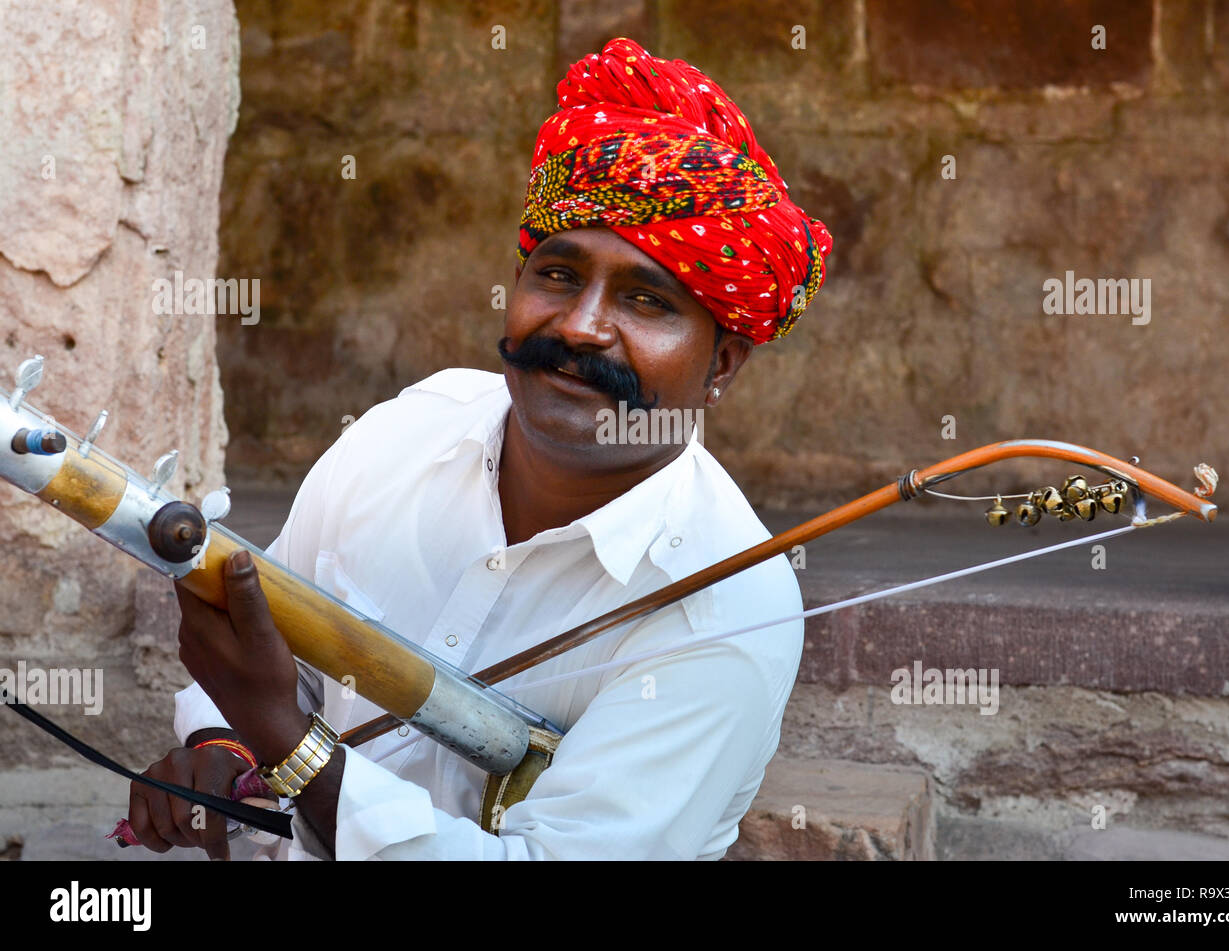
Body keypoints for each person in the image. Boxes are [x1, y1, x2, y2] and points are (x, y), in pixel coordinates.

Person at [128, 37, 833, 860]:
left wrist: (284, 739)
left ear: (720, 364)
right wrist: (226, 748)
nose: (580, 325)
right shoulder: (406, 432)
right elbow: (281, 667)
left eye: (646, 299)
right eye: (560, 275)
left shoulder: (728, 606)